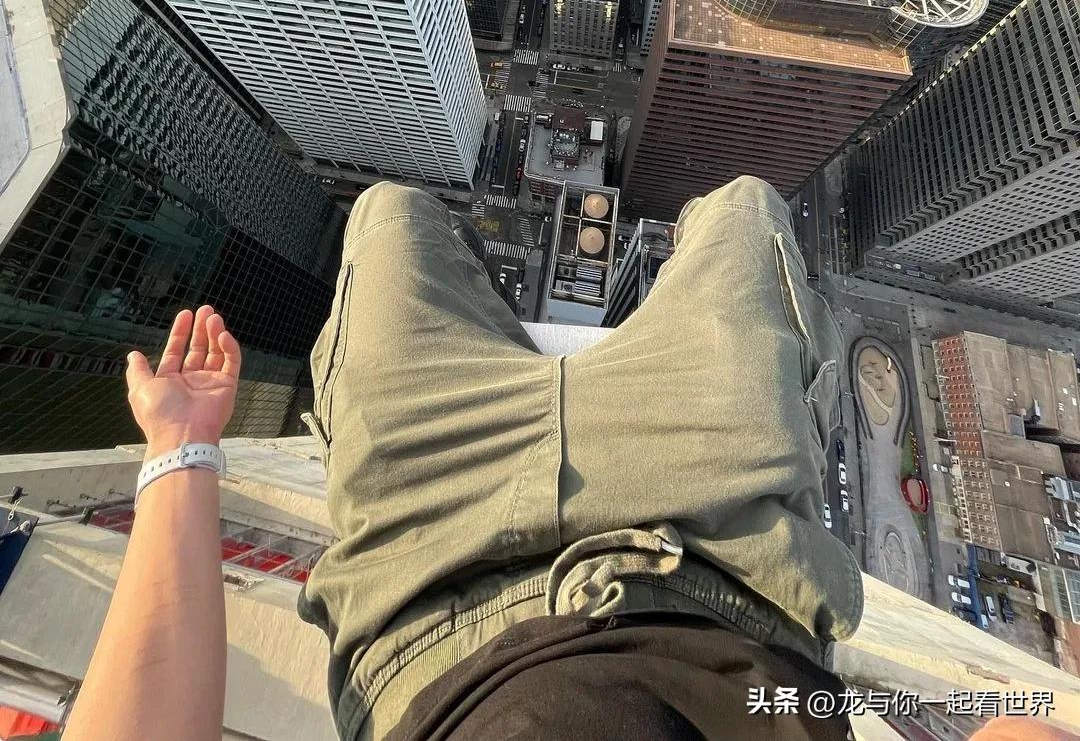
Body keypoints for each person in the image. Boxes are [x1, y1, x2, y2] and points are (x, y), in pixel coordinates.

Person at [64, 179, 1069, 741]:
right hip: (714, 566)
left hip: (427, 573)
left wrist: (183, 449)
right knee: (744, 216)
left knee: (389, 217)